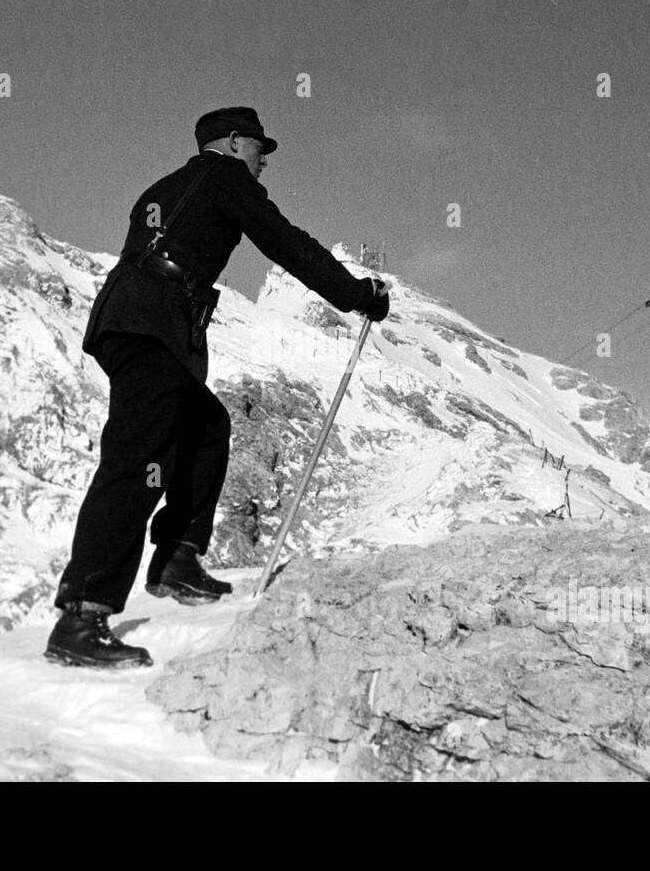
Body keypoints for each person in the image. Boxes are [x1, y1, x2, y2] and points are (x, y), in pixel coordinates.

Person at [45, 106, 391, 669]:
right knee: (136, 457)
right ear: (233, 143)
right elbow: (285, 241)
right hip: (154, 324)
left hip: (136, 322)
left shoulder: (168, 185)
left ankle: (178, 557)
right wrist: (356, 294)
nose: (263, 162)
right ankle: (82, 615)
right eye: (260, 148)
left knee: (207, 427)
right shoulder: (223, 178)